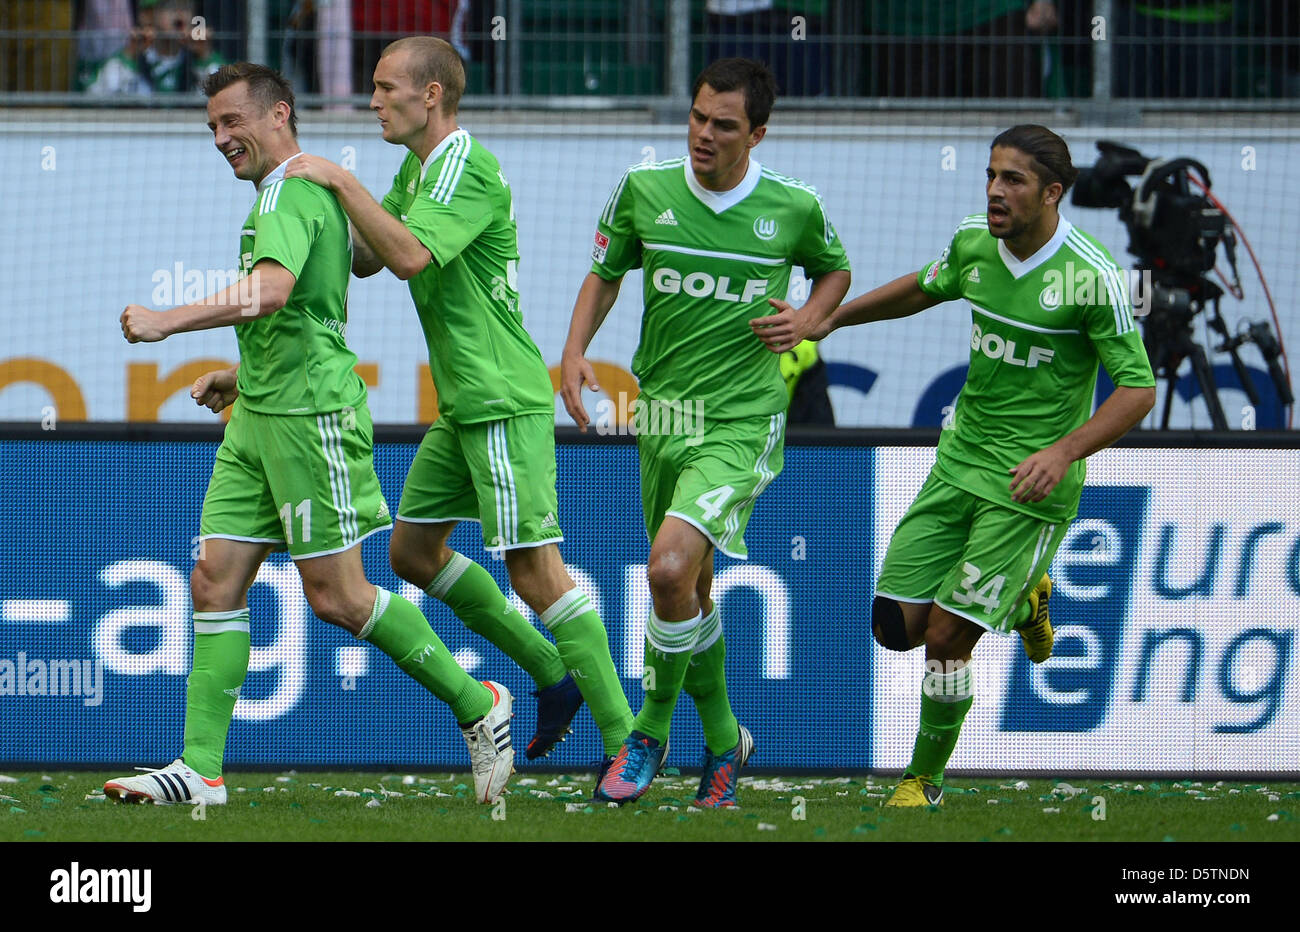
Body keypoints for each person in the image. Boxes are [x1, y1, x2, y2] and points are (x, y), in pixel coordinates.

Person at [107, 62, 514, 806]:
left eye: (234, 122)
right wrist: (241, 376)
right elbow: (309, 308)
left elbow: (273, 291)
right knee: (214, 579)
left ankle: (477, 703)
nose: (223, 138)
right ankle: (200, 769)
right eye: (213, 128)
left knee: (339, 597)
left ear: (280, 114)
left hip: (310, 418)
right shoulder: (287, 191)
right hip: (261, 413)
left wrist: (167, 321)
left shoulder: (293, 186)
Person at [281, 37, 635, 769]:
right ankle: (549, 676)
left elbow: (407, 255)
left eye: (385, 88)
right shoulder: (416, 169)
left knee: (538, 573)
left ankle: (628, 743)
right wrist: (303, 201)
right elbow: (372, 255)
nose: (373, 101)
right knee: (411, 553)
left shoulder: (466, 165)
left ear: (432, 93)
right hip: (464, 404)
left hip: (502, 398)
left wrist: (341, 183)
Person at [809, 125, 1155, 806]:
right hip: (957, 462)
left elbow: (1138, 391)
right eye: (991, 175)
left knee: (946, 636)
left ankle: (924, 780)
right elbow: (925, 287)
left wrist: (1062, 453)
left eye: (1014, 180)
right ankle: (1029, 599)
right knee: (895, 629)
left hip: (1027, 488)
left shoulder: (1092, 277)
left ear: (1053, 193)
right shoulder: (975, 242)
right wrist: (835, 319)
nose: (995, 191)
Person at [562, 57, 851, 807]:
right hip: (662, 415)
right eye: (697, 117)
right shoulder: (643, 189)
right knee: (689, 586)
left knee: (665, 571)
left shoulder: (792, 208)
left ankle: (648, 734)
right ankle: (725, 740)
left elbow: (834, 272)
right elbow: (605, 274)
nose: (703, 135)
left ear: (757, 133)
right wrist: (572, 352)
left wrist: (810, 320)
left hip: (742, 417)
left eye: (724, 125)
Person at [84, 0, 226, 96]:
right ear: (146, 16)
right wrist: (129, 55)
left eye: (186, 6)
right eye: (169, 6)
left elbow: (226, 97)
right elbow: (94, 95)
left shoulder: (199, 60)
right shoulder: (131, 59)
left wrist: (205, 56)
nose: (180, 14)